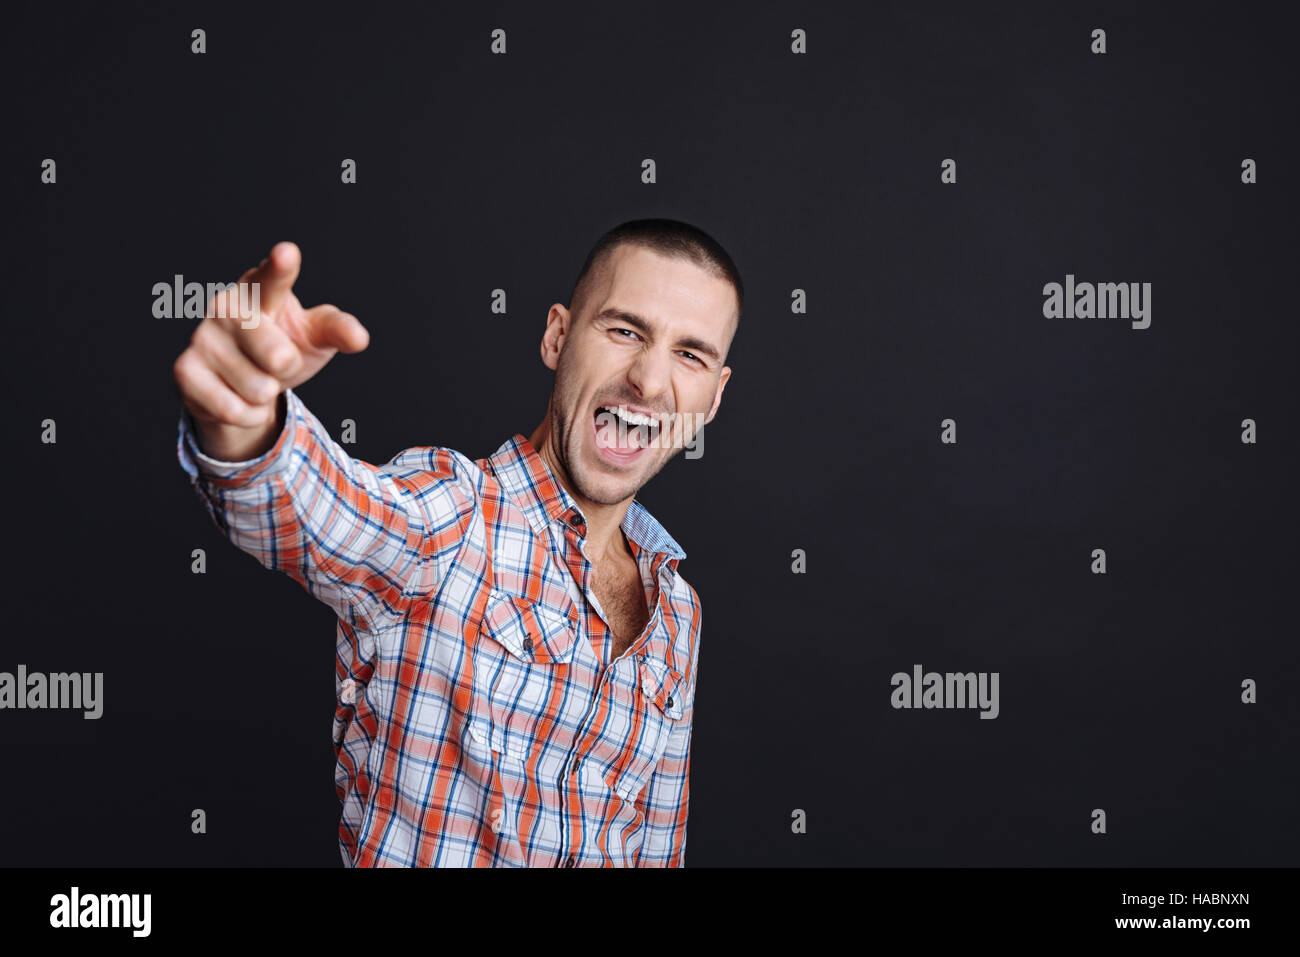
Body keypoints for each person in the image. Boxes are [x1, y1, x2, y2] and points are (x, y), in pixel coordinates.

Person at [172, 219, 740, 866]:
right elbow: (319, 508)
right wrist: (245, 420)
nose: (647, 379)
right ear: (557, 336)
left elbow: (657, 848)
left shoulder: (678, 612)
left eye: (690, 354)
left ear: (713, 397)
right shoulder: (450, 516)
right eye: (624, 330)